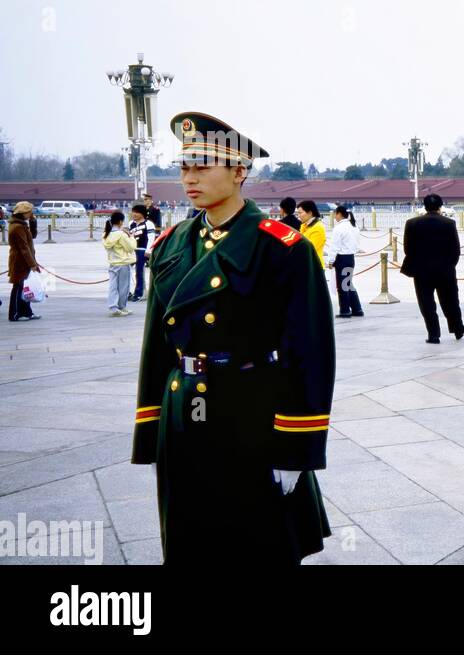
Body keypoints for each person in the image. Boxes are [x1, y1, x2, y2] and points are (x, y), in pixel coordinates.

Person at [132, 111, 335, 563]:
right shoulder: (171, 244)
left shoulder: (281, 248)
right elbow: (156, 348)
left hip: (250, 413)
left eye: (203, 166)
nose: (189, 178)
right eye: (184, 167)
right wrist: (150, 430)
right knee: (190, 543)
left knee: (257, 545)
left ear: (239, 171)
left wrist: (296, 448)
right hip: (183, 414)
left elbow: (311, 353)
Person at [400, 194, 464, 344]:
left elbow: (408, 249)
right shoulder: (448, 223)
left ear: (424, 206)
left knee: (426, 303)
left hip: (421, 271)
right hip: (445, 270)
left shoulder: (411, 223)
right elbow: (455, 250)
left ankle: (433, 334)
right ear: (440, 206)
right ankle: (458, 329)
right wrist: (449, 266)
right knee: (450, 301)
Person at [324, 205, 364, 319]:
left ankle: (345, 310)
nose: (334, 216)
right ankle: (357, 309)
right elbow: (357, 243)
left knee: (342, 286)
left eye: (335, 214)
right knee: (348, 284)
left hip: (341, 259)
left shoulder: (339, 228)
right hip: (350, 258)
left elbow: (334, 247)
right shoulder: (354, 226)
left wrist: (330, 261)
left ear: (339, 214)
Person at [7, 202, 41, 321]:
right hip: (19, 261)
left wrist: (33, 222)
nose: (31, 213)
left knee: (26, 288)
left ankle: (26, 312)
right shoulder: (17, 227)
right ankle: (14, 314)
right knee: (18, 288)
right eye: (29, 212)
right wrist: (32, 264)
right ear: (23, 213)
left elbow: (33, 236)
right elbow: (23, 248)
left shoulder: (22, 225)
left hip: (25, 260)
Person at [103, 211, 136, 317]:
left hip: (113, 263)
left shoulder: (106, 234)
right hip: (123, 263)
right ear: (121, 221)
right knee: (123, 287)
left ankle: (113, 307)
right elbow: (130, 247)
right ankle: (122, 307)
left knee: (113, 286)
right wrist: (131, 237)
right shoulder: (121, 235)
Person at [127, 203, 158, 302]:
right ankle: (128, 292)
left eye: (136, 212)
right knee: (127, 272)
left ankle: (139, 293)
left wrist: (148, 251)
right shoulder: (131, 223)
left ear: (142, 213)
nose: (134, 214)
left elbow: (151, 238)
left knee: (139, 272)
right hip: (131, 250)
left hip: (142, 250)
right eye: (133, 212)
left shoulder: (148, 224)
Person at [296, 201, 327, 266]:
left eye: (300, 213)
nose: (298, 216)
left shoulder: (318, 228)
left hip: (315, 267)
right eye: (297, 213)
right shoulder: (305, 226)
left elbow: (310, 249)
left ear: (310, 213)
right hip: (308, 265)